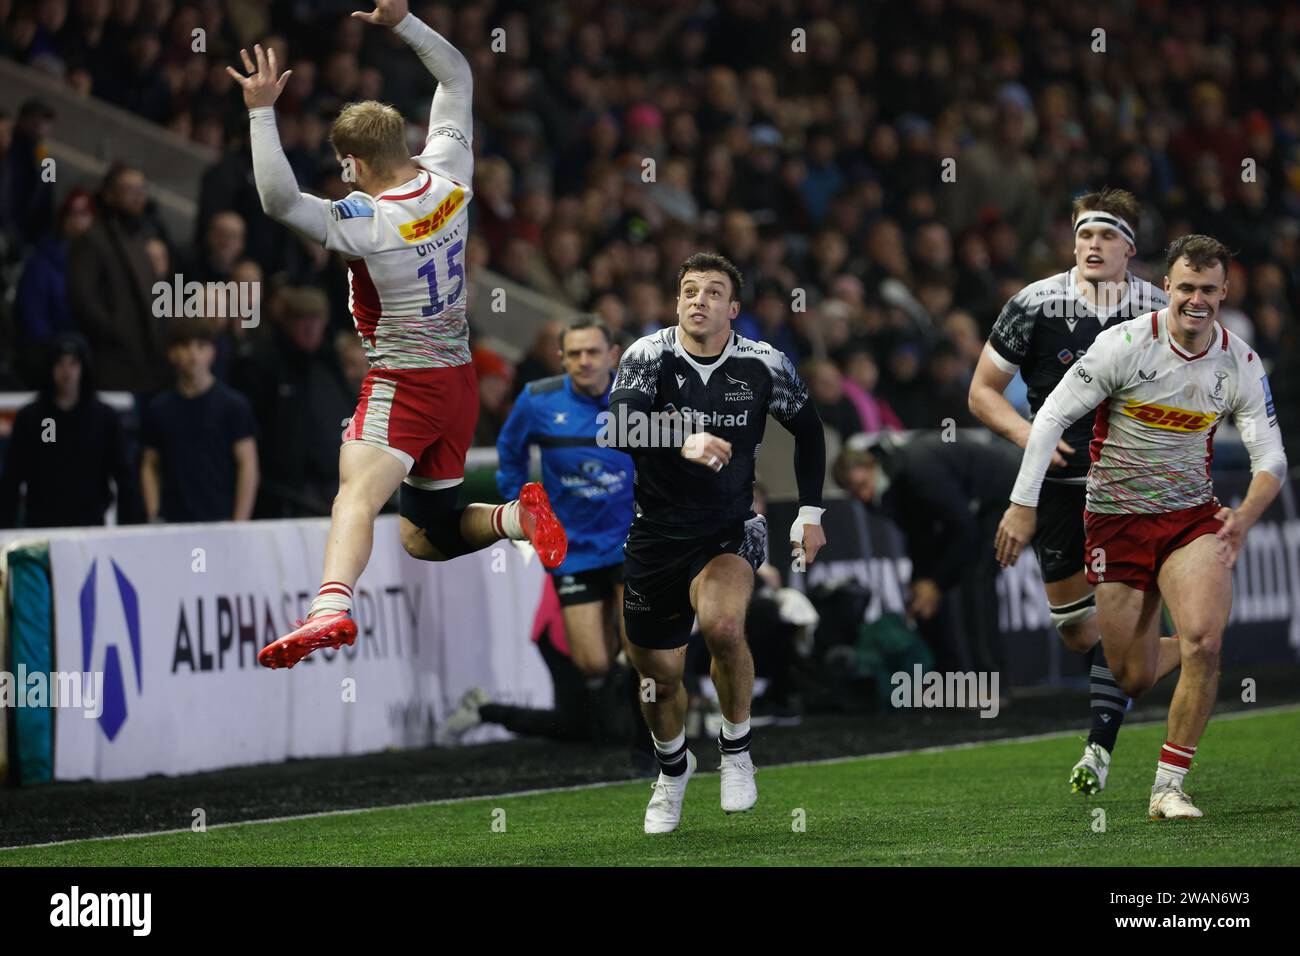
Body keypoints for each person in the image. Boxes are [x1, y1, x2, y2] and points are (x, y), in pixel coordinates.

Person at [228, 0, 567, 669]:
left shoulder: (367, 222)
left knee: (355, 492)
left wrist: (261, 110)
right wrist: (406, 23)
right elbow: (459, 78)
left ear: (352, 162)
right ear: (406, 141)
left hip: (403, 382)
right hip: (460, 382)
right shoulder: (451, 173)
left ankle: (329, 607)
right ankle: (515, 519)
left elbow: (278, 201)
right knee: (423, 535)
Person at [995, 235, 1287, 820]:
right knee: (1131, 675)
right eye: (1186, 288)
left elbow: (1271, 459)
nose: (1196, 300)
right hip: (1115, 521)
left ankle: (1169, 786)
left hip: (1191, 520)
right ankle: (1180, 656)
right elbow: (1050, 415)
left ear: (1225, 292)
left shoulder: (1241, 362)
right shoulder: (1124, 345)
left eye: (1209, 289)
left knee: (1206, 639)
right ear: (1169, 289)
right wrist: (1023, 504)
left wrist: (1244, 519)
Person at [607, 252, 827, 833]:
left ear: (733, 308)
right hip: (655, 533)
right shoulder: (648, 356)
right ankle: (672, 768)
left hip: (729, 528)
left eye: (712, 291)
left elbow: (809, 430)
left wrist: (809, 512)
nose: (697, 300)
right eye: (688, 290)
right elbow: (617, 425)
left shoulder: (764, 364)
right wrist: (682, 437)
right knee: (658, 679)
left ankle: (736, 751)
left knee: (725, 626)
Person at [968, 187, 1169, 795]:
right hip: (1056, 488)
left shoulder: (1157, 310)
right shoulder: (1033, 304)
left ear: (1130, 248)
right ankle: (1190, 644)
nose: (1093, 245)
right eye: (1084, 234)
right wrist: (1029, 434)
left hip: (1131, 490)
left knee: (1113, 630)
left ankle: (1098, 751)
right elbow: (980, 392)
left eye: (1106, 236)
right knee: (1078, 632)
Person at [490, 317, 636, 730]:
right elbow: (509, 453)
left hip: (633, 541)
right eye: (574, 354)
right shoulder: (538, 400)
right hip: (572, 549)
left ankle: (647, 740)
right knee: (592, 663)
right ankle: (615, 703)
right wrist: (520, 510)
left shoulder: (640, 398)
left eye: (592, 352)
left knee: (643, 649)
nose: (584, 361)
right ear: (561, 358)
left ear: (613, 355)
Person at [832, 436, 1019, 679]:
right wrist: (923, 580)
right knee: (921, 595)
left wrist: (936, 583)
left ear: (871, 465)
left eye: (862, 484)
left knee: (976, 579)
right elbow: (919, 535)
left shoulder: (918, 471)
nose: (863, 496)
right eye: (854, 493)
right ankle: (943, 677)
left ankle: (992, 681)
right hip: (968, 511)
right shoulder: (885, 489)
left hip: (1003, 491)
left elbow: (965, 529)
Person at [0, 334, 141, 529]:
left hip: (90, 525)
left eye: (73, 364)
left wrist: (131, 530)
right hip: (41, 525)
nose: (67, 372)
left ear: (84, 367)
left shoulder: (104, 418)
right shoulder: (31, 417)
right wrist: (5, 529)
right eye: (60, 364)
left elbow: (124, 477)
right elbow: (12, 478)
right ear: (50, 368)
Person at [140, 320, 260, 523]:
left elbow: (248, 464)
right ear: (172, 354)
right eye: (185, 346)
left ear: (212, 353)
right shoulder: (158, 408)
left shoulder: (233, 405)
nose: (193, 355)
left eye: (201, 346)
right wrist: (154, 514)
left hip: (221, 519)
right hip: (173, 522)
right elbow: (150, 465)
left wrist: (239, 522)